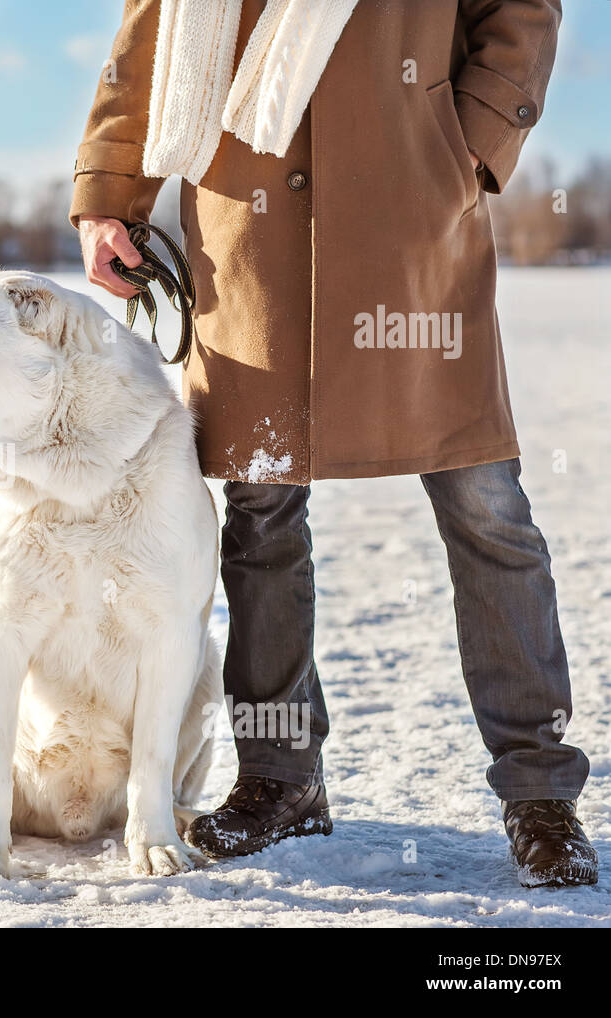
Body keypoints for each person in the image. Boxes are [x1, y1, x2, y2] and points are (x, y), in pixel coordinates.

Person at [70, 0, 597, 887]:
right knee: (261, 513)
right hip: (249, 228)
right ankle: (281, 779)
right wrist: (108, 196)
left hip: (409, 219)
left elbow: (522, 11)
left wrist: (464, 148)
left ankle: (541, 794)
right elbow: (152, 32)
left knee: (485, 504)